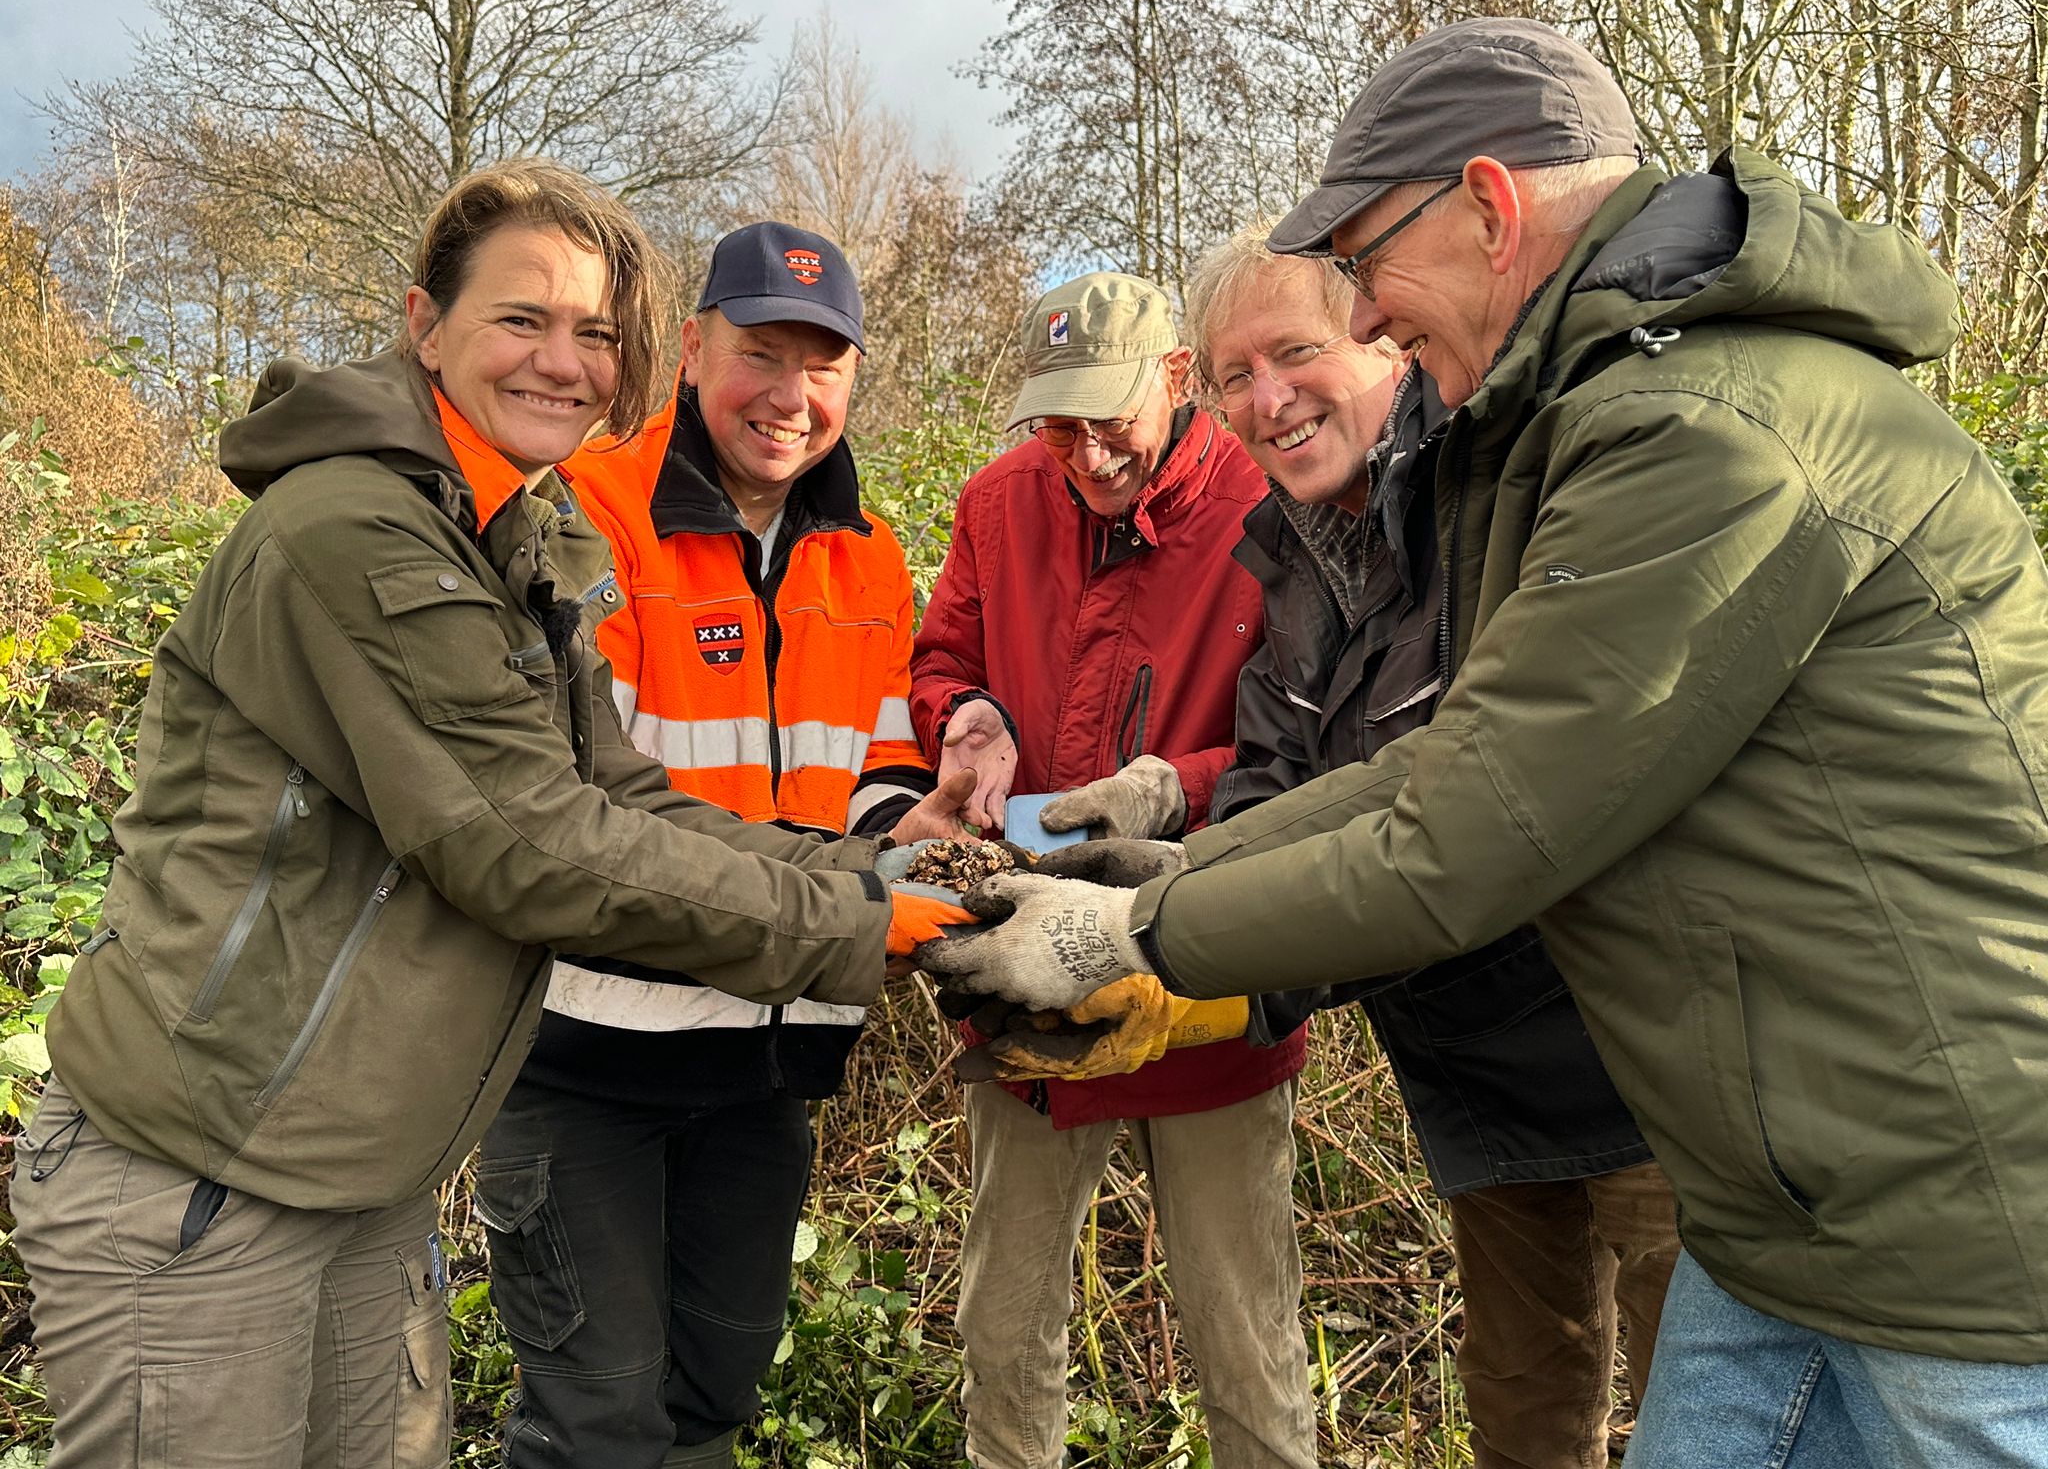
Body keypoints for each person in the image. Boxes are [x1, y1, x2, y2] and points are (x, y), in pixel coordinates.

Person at [915, 18, 2048, 1467]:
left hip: (1937, 1204)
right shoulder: (1581, 425)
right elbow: (1425, 769)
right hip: (1784, 1194)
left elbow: (1469, 827)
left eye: (1364, 269)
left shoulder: (1693, 431)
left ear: (1492, 210)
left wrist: (1131, 935)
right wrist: (1170, 869)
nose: (1369, 313)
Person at [9, 162, 968, 1469]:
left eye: (593, 332)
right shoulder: (358, 531)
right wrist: (859, 925)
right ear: (427, 325)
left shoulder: (513, 534)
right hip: (204, 1162)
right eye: (522, 318)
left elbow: (616, 794)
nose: (561, 362)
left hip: (365, 1170)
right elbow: (521, 842)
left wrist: (867, 882)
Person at [1185, 224, 1679, 1468]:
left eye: (1292, 353)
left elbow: (1465, 818)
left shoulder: (1493, 497)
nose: (1265, 399)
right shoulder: (1290, 562)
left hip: (1638, 1067)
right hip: (1475, 1080)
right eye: (1232, 375)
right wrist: (1164, 929)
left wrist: (1183, 942)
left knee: (1707, 1408)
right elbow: (1271, 785)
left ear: (1381, 344)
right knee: (1520, 1404)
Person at [479, 221, 967, 1469]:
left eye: (823, 364)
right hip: (587, 1061)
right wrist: (851, 906)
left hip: (768, 1068)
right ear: (692, 349)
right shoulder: (587, 514)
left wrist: (924, 842)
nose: (790, 397)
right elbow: (585, 809)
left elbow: (879, 769)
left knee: (714, 1399)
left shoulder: (867, 553)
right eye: (761, 354)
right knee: (594, 1426)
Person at [910, 272, 1316, 1469]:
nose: (1087, 455)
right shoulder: (996, 503)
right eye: (1057, 425)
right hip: (1022, 976)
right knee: (1003, 1325)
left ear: (1176, 378)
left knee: (1245, 1336)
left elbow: (1307, 745)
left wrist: (1168, 788)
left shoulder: (1270, 505)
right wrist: (966, 714)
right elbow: (940, 657)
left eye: (1109, 419)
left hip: (1207, 969)